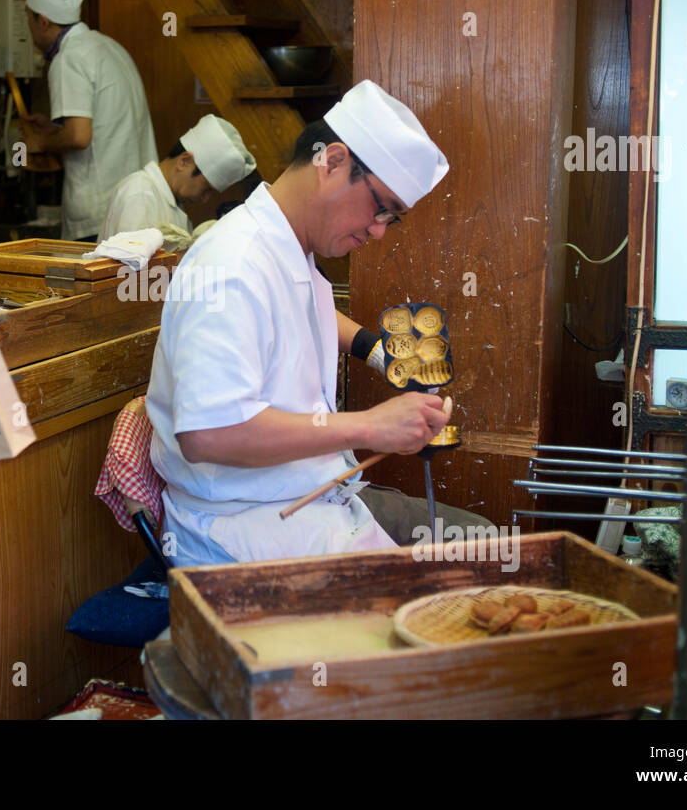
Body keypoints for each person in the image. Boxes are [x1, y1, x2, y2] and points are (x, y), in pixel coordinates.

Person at [145, 80, 491, 566]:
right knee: (448, 590)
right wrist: (369, 427)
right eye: (379, 208)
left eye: (392, 219)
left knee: (483, 544)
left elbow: (293, 307)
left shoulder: (285, 243)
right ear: (331, 160)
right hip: (246, 527)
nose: (377, 230)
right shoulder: (231, 264)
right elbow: (210, 434)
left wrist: (372, 347)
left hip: (310, 500)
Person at [18, 0, 157, 241]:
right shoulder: (108, 46)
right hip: (135, 206)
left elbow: (79, 136)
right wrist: (55, 128)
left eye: (28, 19)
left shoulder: (68, 58)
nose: (28, 28)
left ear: (43, 21)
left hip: (100, 214)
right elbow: (102, 124)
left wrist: (41, 141)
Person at [99, 114, 256, 240]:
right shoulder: (139, 192)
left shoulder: (171, 199)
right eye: (206, 188)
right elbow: (130, 268)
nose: (204, 199)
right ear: (185, 161)